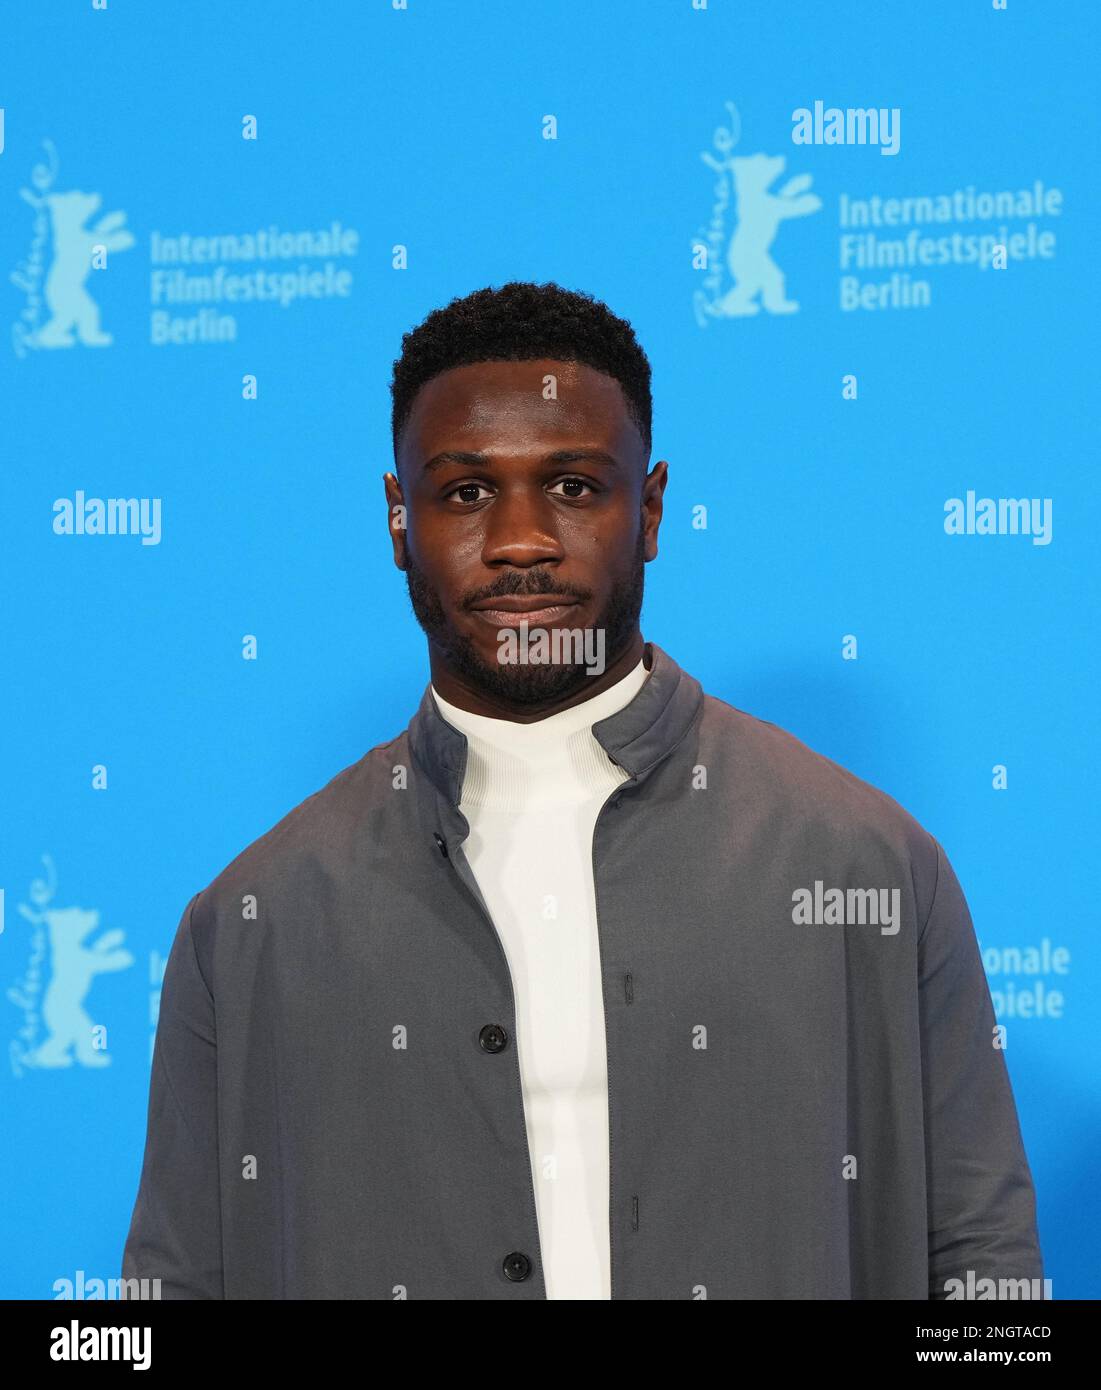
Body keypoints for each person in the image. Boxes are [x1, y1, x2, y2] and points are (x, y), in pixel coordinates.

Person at [122, 280, 1043, 1300]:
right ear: (397, 519)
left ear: (647, 508)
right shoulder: (253, 919)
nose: (522, 540)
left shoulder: (867, 864)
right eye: (467, 492)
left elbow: (984, 1264)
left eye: (571, 486)